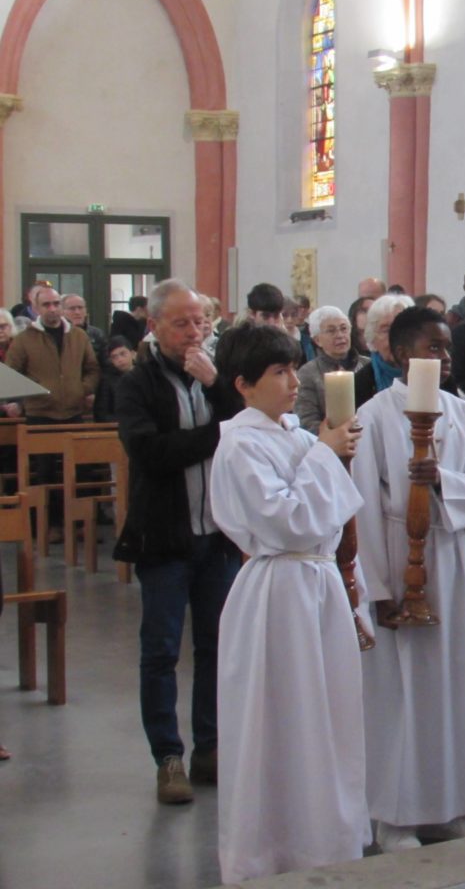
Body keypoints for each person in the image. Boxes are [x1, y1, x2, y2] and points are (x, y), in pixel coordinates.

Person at [209, 323, 367, 883]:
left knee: (327, 720)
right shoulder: (240, 444)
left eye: (291, 368)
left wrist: (356, 598)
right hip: (278, 594)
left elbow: (336, 528)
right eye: (277, 373)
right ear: (244, 384)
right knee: (281, 722)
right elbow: (288, 521)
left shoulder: (297, 436)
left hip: (319, 588)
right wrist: (327, 455)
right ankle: (272, 851)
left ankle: (324, 841)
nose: (290, 380)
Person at [351, 306, 465, 849]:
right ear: (397, 355)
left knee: (454, 682)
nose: (442, 359)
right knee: (403, 690)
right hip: (396, 553)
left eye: (445, 348)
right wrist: (376, 590)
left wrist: (444, 481)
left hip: (451, 553)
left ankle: (452, 806)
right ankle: (395, 816)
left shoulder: (462, 414)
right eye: (429, 348)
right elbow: (363, 506)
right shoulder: (372, 417)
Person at [113, 280, 241, 804]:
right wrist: (219, 432)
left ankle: (211, 747)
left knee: (216, 646)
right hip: (164, 537)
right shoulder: (137, 384)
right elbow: (151, 453)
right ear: (154, 327)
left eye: (201, 322)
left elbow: (250, 426)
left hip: (217, 535)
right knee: (161, 650)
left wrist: (216, 390)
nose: (194, 332)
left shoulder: (213, 378)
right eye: (182, 323)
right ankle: (168, 757)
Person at [6, 285, 100, 423]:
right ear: (36, 309)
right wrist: (30, 394)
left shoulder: (79, 336)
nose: (52, 309)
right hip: (39, 413)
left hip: (73, 412)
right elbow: (12, 373)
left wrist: (82, 389)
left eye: (56, 304)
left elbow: (92, 368)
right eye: (46, 305)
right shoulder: (24, 339)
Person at [295, 306, 369, 434]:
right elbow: (307, 422)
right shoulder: (307, 374)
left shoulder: (368, 365)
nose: (340, 335)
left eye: (344, 329)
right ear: (317, 340)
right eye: (331, 331)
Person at [354, 293, 414, 408]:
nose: (395, 337)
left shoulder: (435, 377)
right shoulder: (359, 384)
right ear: (372, 337)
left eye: (402, 328)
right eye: (386, 330)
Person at [94, 336, 137, 422]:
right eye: (114, 357)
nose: (120, 359)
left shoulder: (145, 376)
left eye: (123, 354)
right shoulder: (106, 381)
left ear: (133, 354)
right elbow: (101, 414)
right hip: (116, 428)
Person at [62, 293, 106, 364]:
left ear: (86, 311)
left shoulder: (96, 334)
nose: (77, 312)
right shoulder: (59, 333)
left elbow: (105, 362)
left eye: (80, 308)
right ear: (62, 312)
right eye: (72, 309)